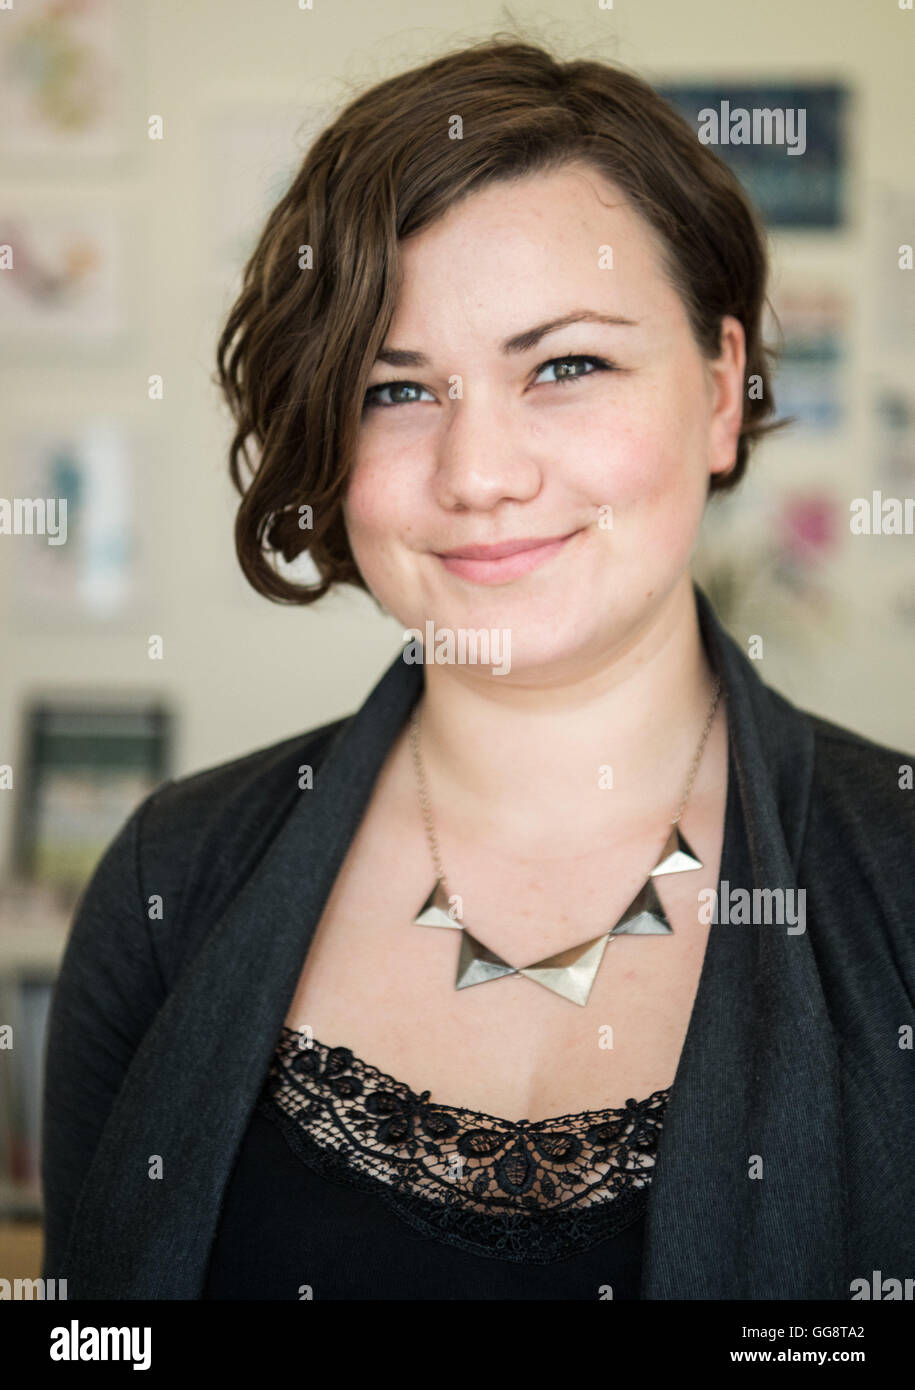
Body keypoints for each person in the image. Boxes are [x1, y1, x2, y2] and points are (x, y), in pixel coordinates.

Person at [41, 36, 915, 1301]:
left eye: (566, 366)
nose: (479, 472)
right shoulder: (165, 883)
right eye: (397, 392)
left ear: (722, 389)